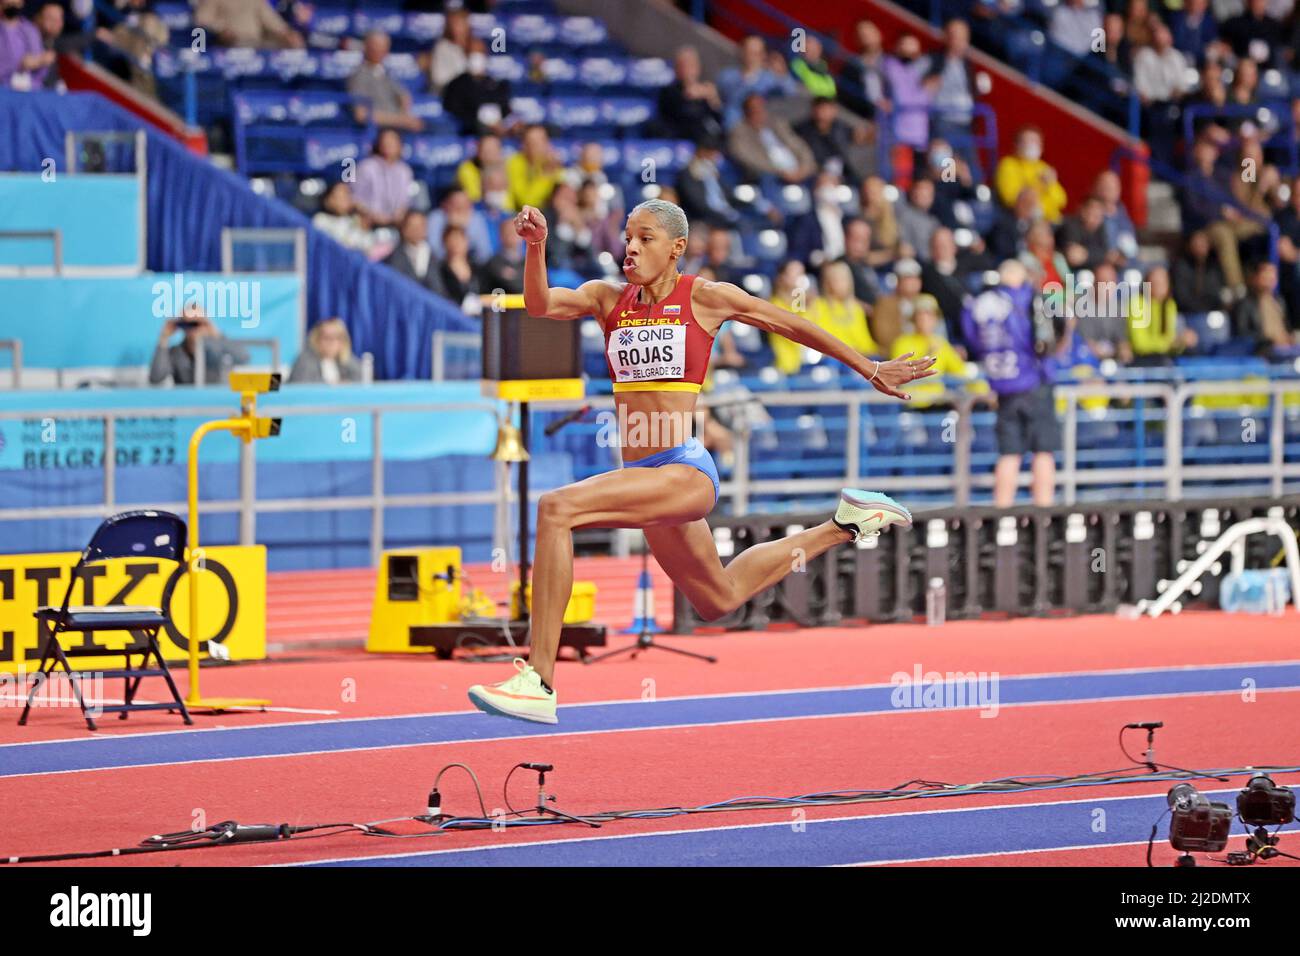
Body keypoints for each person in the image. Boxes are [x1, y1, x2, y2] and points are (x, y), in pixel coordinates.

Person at [466, 199, 935, 724]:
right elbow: (537, 305)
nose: (632, 248)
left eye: (645, 239)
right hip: (645, 479)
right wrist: (536, 248)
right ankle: (845, 523)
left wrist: (870, 368)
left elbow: (791, 326)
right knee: (718, 598)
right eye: (627, 238)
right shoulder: (606, 298)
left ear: (676, 249)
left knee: (556, 509)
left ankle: (539, 680)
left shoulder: (707, 298)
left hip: (683, 469)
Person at [961, 260, 1061, 507]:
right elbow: (1045, 338)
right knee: (1043, 451)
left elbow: (972, 339)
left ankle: (1002, 510)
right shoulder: (1028, 298)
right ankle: (1043, 511)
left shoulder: (980, 303)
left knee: (1008, 453)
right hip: (1032, 381)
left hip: (1002, 386)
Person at [149, 306, 250, 386]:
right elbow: (156, 378)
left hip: (213, 404)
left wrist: (216, 334)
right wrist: (163, 338)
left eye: (196, 323)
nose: (193, 329)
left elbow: (244, 357)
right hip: (187, 406)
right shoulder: (176, 352)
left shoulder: (216, 349)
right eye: (187, 324)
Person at [347, 31, 422, 133]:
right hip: (378, 131)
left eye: (384, 47)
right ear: (366, 47)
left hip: (396, 128)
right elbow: (361, 114)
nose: (380, 51)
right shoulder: (358, 76)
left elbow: (404, 96)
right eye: (376, 46)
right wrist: (400, 120)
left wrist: (404, 109)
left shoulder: (386, 73)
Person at [995, 127, 1067, 224]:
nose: (1031, 145)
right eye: (1027, 141)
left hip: (1049, 221)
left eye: (1035, 142)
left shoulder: (1043, 167)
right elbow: (1010, 198)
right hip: (1020, 219)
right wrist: (1038, 187)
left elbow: (1061, 200)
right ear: (1016, 144)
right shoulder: (1008, 165)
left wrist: (1049, 185)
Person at [352, 128, 414, 229]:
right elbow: (354, 198)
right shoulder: (366, 166)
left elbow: (405, 200)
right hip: (368, 222)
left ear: (400, 145)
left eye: (392, 141)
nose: (388, 144)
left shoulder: (405, 170)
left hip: (396, 223)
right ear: (379, 144)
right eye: (385, 141)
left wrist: (397, 216)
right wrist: (372, 215)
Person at [383, 211, 449, 298]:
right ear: (403, 229)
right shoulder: (393, 259)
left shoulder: (435, 257)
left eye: (421, 226)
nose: (417, 230)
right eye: (412, 226)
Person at [194, 0, 304, 48]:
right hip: (230, 42)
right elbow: (203, 19)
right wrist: (221, 30)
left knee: (294, 41)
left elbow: (270, 19)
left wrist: (286, 32)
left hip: (257, 42)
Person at [506, 124, 562, 212]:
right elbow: (526, 202)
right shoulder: (515, 163)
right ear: (524, 145)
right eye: (533, 142)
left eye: (542, 141)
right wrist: (546, 175)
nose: (539, 146)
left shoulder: (551, 161)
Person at [289, 318, 365, 384]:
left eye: (336, 337)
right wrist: (332, 385)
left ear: (343, 341)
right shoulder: (305, 360)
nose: (331, 342)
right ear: (316, 339)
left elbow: (361, 380)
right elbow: (302, 386)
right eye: (326, 337)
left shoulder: (347, 360)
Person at [0, 0, 50, 89]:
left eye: (15, 3)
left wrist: (38, 62)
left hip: (29, 90)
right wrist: (20, 66)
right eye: (8, 3)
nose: (12, 6)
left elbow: (42, 70)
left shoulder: (30, 30)